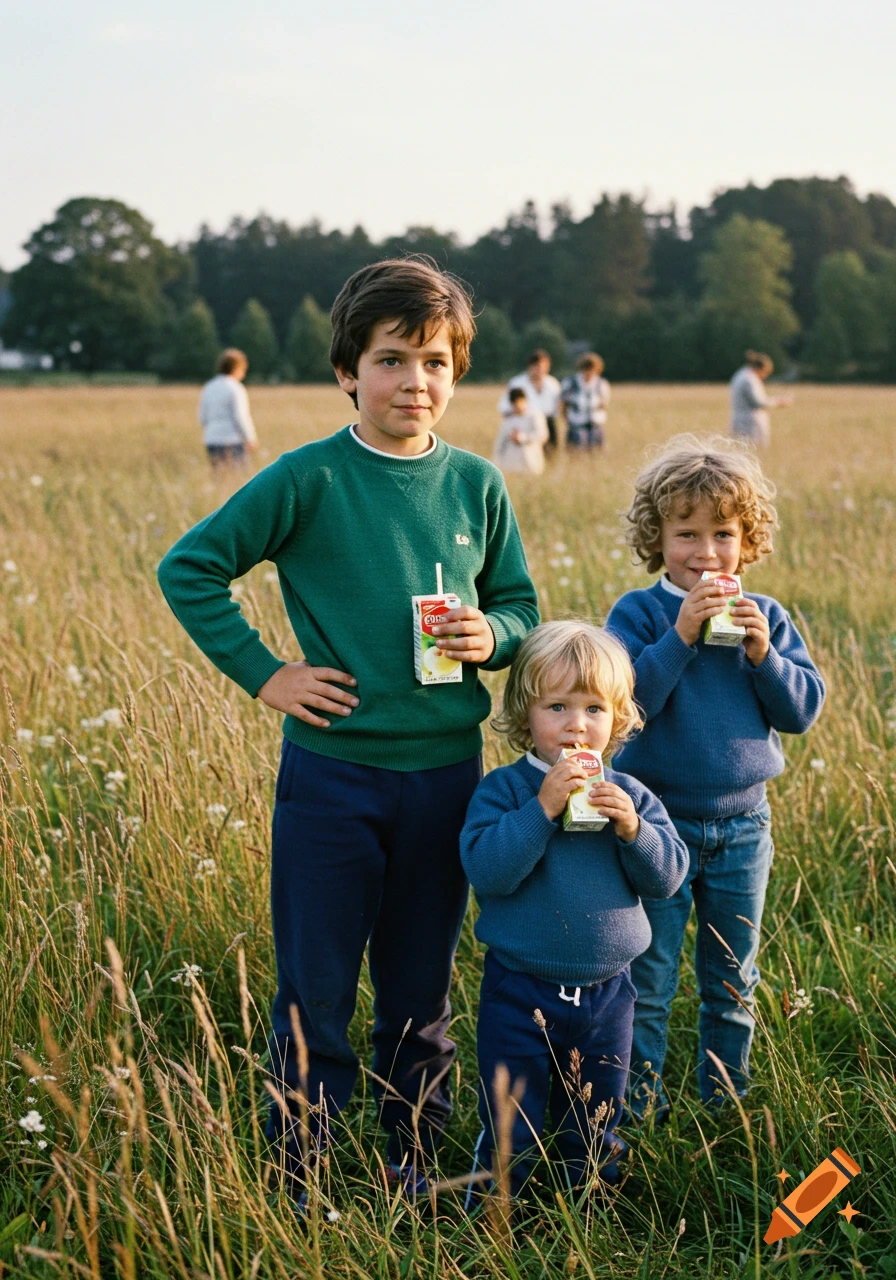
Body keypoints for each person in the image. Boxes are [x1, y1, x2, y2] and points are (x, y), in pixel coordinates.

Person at [157, 257, 539, 1204]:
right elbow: (191, 568)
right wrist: (268, 674)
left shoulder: (478, 485)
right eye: (393, 358)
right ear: (347, 371)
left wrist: (496, 634)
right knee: (316, 988)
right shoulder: (307, 479)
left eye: (440, 362)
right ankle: (306, 1172)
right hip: (331, 779)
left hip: (449, 776)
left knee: (419, 994)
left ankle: (409, 1162)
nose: (418, 381)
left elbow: (523, 606)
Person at [606, 438, 825, 1119]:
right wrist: (680, 635)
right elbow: (625, 708)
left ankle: (724, 1108)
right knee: (650, 977)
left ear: (747, 540)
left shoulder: (769, 617)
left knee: (732, 979)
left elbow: (800, 713)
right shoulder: (638, 614)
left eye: (722, 535)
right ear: (658, 537)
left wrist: (763, 654)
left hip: (743, 827)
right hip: (654, 826)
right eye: (686, 534)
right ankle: (637, 1109)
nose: (705, 553)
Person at [460, 622, 688, 1198]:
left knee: (597, 1114)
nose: (576, 725)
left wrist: (633, 830)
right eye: (556, 706)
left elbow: (667, 879)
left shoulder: (629, 794)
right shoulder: (506, 792)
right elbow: (487, 870)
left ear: (618, 719)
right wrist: (543, 808)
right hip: (520, 989)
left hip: (609, 994)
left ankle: (591, 1205)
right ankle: (495, 1208)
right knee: (514, 1110)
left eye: (593, 708)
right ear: (523, 712)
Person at [198, 348, 259, 467]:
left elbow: (202, 417)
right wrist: (250, 438)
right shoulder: (236, 388)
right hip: (233, 441)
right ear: (236, 368)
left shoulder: (209, 386)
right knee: (238, 480)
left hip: (211, 439)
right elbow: (241, 416)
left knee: (219, 478)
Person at [498, 349, 562, 450]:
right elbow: (503, 407)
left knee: (551, 453)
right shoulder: (517, 383)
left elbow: (558, 407)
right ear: (531, 366)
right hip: (526, 423)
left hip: (549, 422)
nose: (541, 370)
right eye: (538, 367)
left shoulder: (552, 383)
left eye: (545, 367)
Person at [729, 350, 791, 446]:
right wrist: (779, 402)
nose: (765, 376)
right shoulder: (749, 380)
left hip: (740, 419)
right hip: (750, 423)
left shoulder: (740, 374)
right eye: (766, 372)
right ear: (760, 368)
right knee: (753, 451)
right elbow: (758, 402)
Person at [493, 388, 550, 475]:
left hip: (531, 461)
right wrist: (496, 461)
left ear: (525, 400)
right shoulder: (509, 419)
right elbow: (500, 442)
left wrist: (523, 438)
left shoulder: (534, 416)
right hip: (510, 463)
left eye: (520, 403)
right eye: (515, 404)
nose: (518, 407)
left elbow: (542, 435)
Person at [560, 353, 611, 449]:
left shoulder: (601, 384)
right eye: (586, 369)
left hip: (595, 426)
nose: (589, 373)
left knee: (596, 455)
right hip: (576, 425)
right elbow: (563, 404)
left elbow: (604, 404)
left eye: (592, 370)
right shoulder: (570, 383)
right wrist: (567, 420)